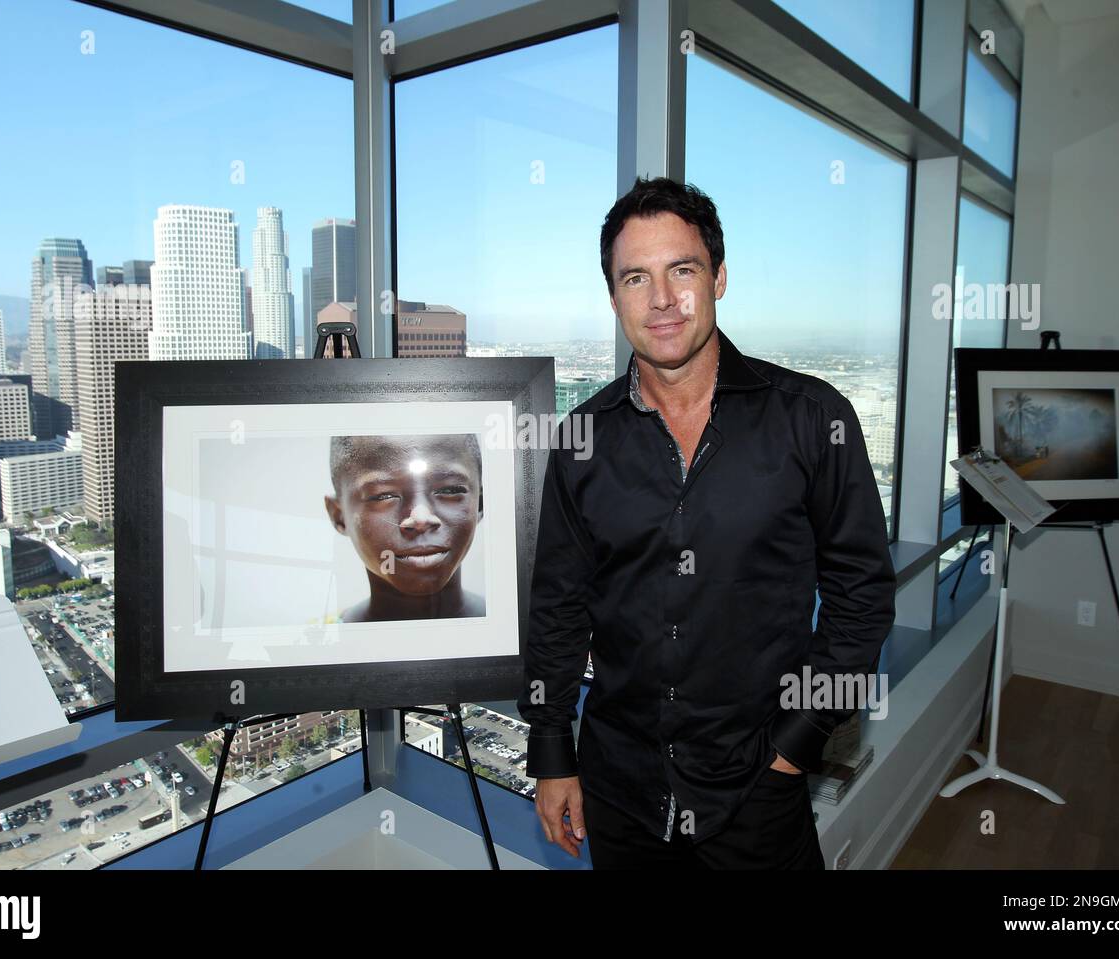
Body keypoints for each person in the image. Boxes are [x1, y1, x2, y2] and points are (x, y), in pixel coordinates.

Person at [518, 176, 896, 869]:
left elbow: (862, 596)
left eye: (681, 270)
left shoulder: (813, 420)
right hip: (621, 789)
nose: (661, 299)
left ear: (718, 277)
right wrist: (551, 754)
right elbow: (557, 609)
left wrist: (796, 744)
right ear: (613, 297)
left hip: (757, 788)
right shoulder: (582, 438)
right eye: (636, 277)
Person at [324, 433, 486, 623]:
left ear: (480, 504)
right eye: (383, 496)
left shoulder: (516, 630)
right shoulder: (315, 645)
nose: (421, 519)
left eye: (449, 490)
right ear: (339, 516)